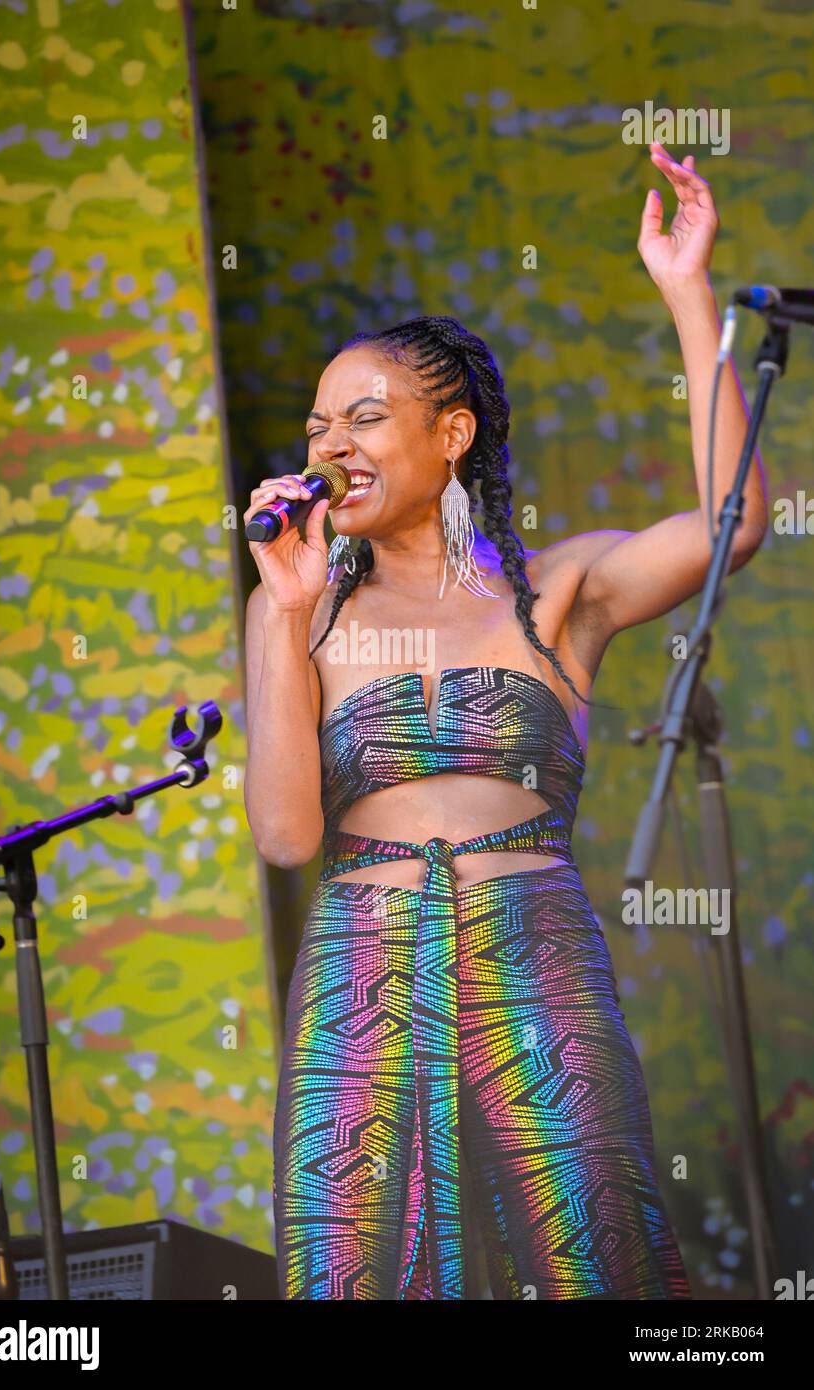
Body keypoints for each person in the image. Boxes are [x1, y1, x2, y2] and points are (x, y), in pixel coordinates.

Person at [243, 143, 767, 1299]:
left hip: (533, 961)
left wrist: (688, 295)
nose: (330, 447)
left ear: (452, 435)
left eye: (365, 418)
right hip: (359, 976)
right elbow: (284, 838)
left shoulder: (555, 593)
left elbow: (728, 526)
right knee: (347, 1268)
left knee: (598, 1258)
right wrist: (280, 614)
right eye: (318, 425)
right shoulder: (299, 613)